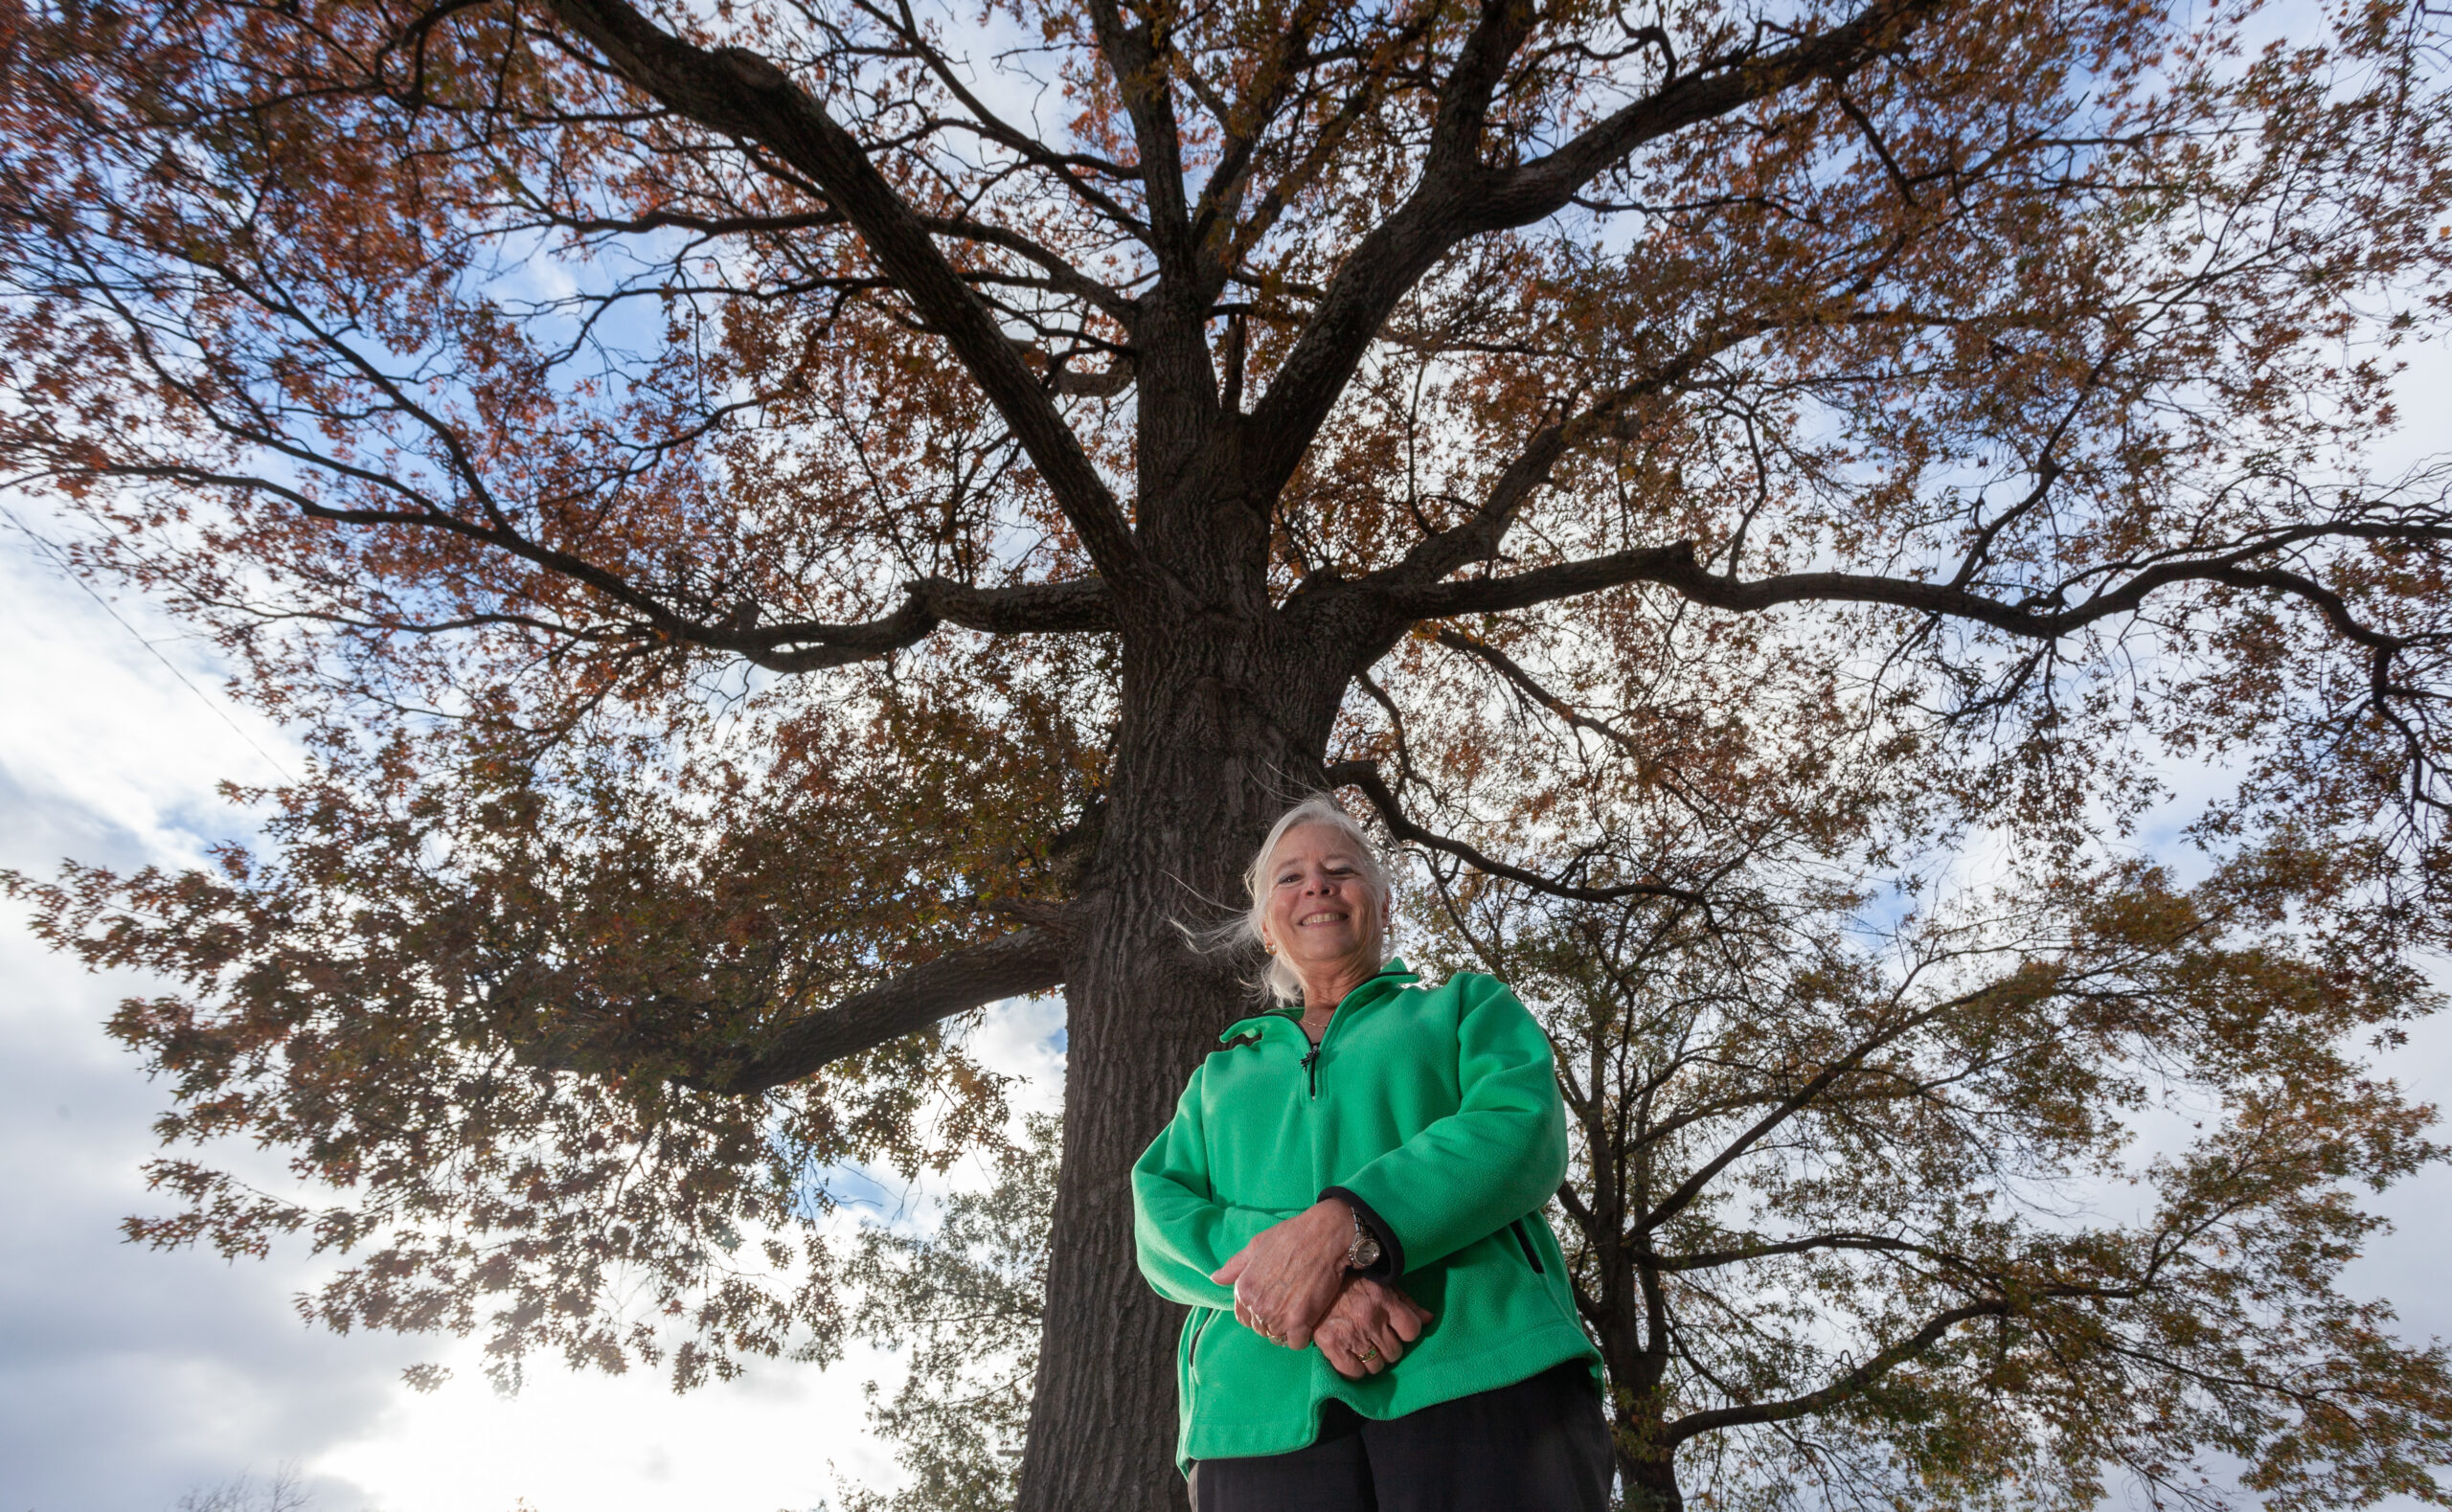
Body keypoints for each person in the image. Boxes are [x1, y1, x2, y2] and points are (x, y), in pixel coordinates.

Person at [1133, 796, 1613, 1511]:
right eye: (1290, 877)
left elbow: (1520, 1128)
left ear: (1382, 905)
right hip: (1254, 1417)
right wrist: (1303, 1280)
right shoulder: (1215, 1080)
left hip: (1483, 1368)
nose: (1317, 885)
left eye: (1340, 869)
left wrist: (1347, 1225)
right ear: (1266, 927)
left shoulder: (1466, 1006)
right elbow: (1159, 1221)